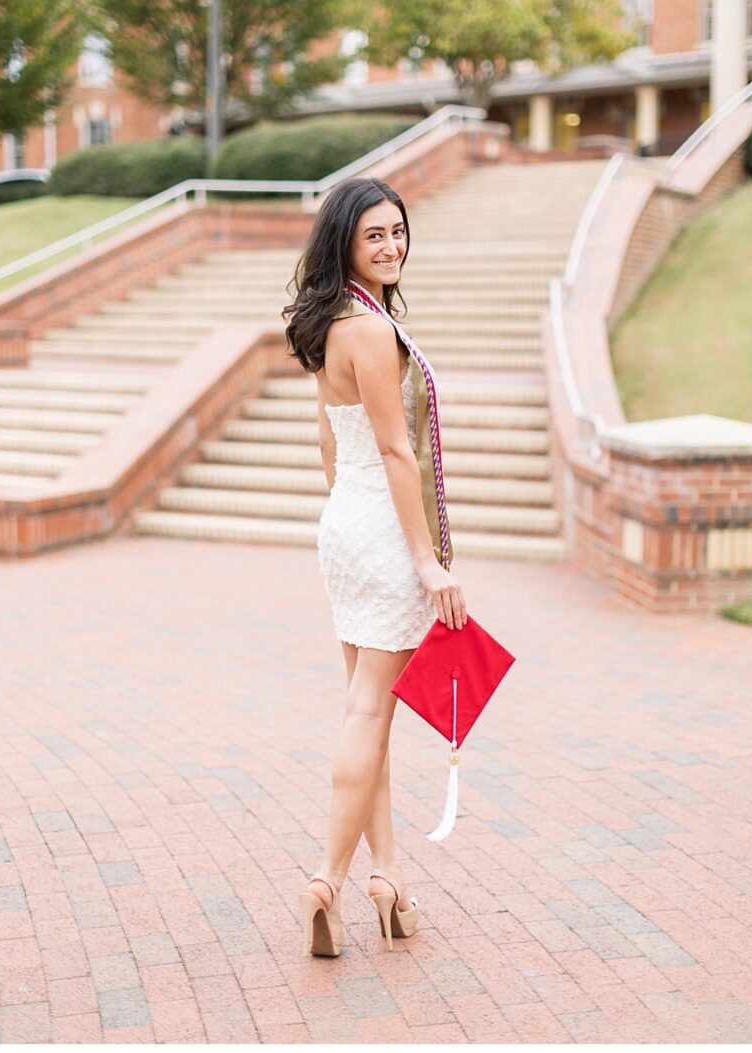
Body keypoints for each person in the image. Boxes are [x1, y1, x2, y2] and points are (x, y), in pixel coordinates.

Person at [281, 176, 467, 957]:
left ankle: (386, 876)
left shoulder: (332, 321)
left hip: (346, 522)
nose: (390, 245)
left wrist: (352, 519)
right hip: (385, 532)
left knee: (374, 711)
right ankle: (326, 877)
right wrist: (426, 561)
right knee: (367, 709)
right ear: (346, 245)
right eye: (374, 236)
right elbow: (397, 450)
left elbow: (331, 442)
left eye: (397, 231)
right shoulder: (373, 330)